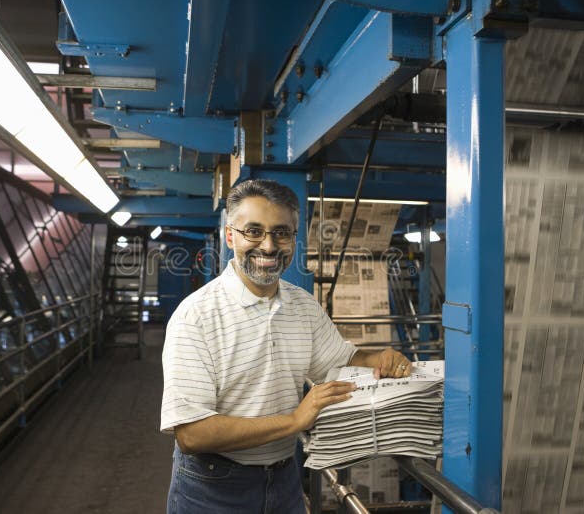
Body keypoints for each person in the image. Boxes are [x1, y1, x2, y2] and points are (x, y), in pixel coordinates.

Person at [160, 179, 411, 514]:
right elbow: (192, 434)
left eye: (281, 232)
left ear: (294, 238)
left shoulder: (303, 306)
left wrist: (378, 358)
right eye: (253, 231)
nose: (268, 246)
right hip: (212, 488)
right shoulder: (196, 316)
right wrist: (295, 420)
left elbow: (341, 360)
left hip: (283, 480)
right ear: (230, 235)